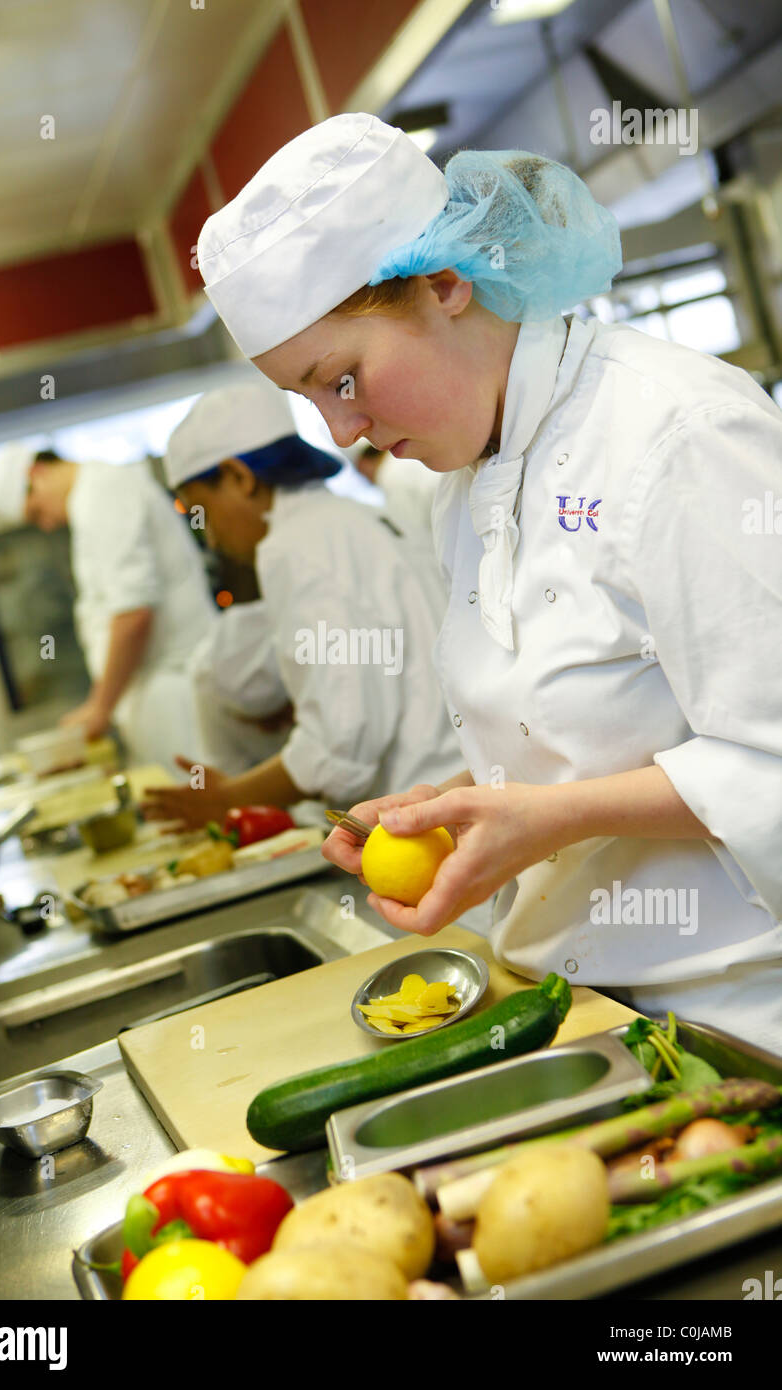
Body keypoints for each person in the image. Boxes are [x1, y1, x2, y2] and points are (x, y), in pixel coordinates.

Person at [190, 111, 782, 1054]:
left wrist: (541, 821)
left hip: (738, 1023)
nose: (340, 434)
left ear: (445, 285)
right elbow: (583, 730)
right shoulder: (460, 489)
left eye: (340, 379)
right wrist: (455, 805)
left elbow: (771, 757)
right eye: (306, 401)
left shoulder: (676, 434)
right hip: (588, 1009)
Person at [139, 367, 465, 831]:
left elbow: (339, 743)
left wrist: (228, 798)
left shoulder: (294, 548)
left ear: (238, 478)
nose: (209, 537)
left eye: (201, 511)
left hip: (424, 820)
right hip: (453, 796)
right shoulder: (353, 517)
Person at [0, 444, 215, 771]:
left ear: (36, 473)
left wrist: (99, 707)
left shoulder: (103, 493)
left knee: (205, 804)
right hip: (161, 694)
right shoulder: (91, 498)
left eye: (36, 513)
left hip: (177, 696)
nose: (46, 525)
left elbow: (134, 613)